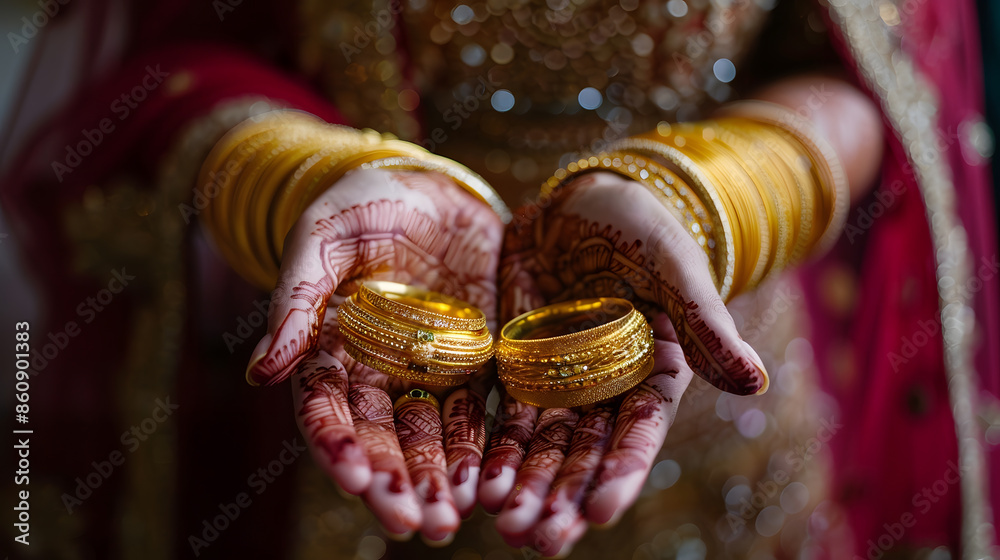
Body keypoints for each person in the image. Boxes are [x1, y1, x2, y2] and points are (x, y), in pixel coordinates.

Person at [2, 0, 997, 558]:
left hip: (714, 409)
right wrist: (305, 181)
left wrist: (708, 200)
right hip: (363, 387)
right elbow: (178, 54)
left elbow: (872, 80)